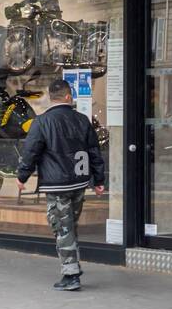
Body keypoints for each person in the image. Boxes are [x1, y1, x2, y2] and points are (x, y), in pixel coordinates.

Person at [15, 79, 106, 291]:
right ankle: (73, 265)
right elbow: (94, 152)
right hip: (79, 182)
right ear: (68, 96)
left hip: (57, 185)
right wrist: (99, 180)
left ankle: (71, 274)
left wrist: (22, 176)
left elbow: (31, 152)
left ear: (51, 97)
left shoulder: (42, 122)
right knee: (70, 226)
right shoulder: (82, 120)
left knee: (62, 227)